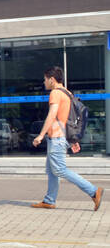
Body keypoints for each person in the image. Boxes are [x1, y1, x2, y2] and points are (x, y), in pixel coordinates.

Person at [30, 66, 103, 210]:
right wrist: (73, 139)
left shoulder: (56, 93)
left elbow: (52, 115)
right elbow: (69, 118)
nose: (44, 82)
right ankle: (49, 200)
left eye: (45, 79)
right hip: (61, 137)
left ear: (51, 79)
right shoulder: (67, 93)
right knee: (52, 171)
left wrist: (40, 135)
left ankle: (93, 191)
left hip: (57, 138)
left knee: (59, 170)